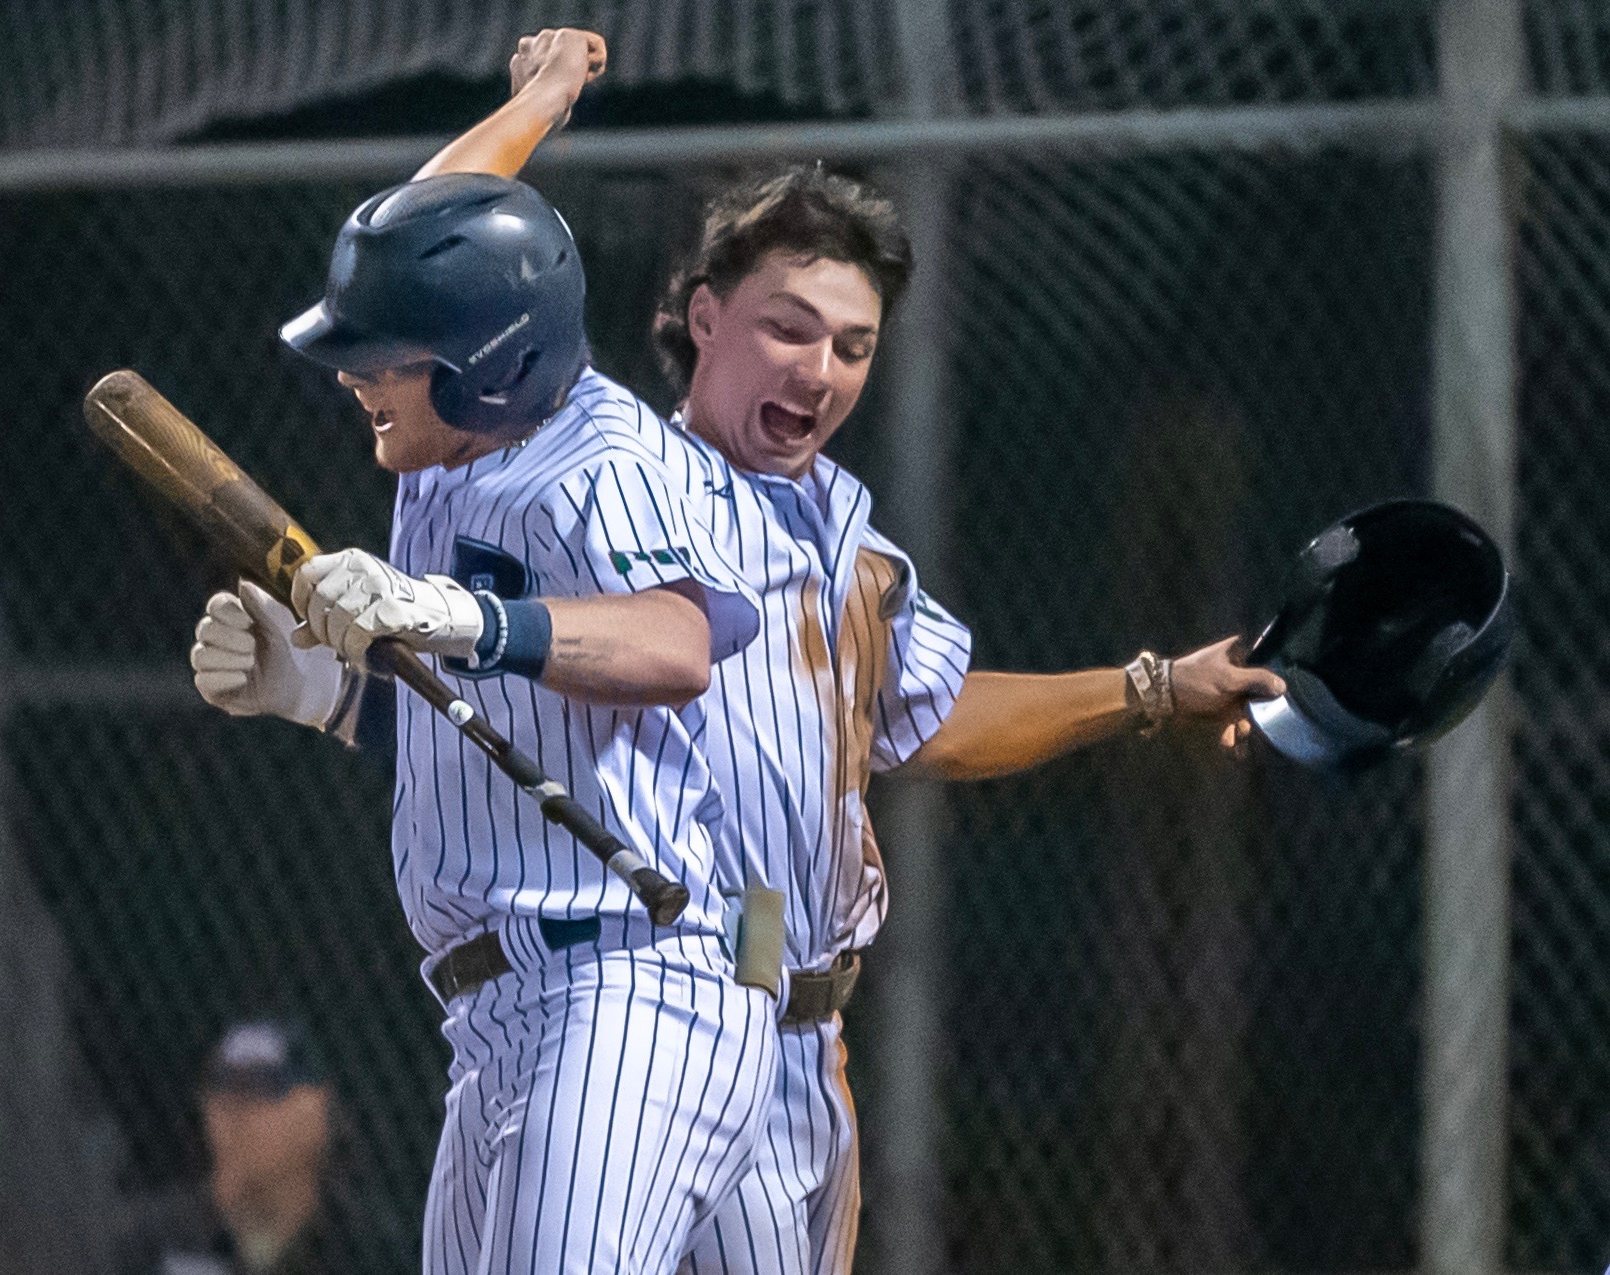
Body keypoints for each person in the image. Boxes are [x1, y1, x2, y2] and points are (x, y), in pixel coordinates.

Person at [412, 29, 1289, 1275]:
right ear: (700, 317)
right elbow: (427, 259)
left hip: (789, 1033)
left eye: (851, 345)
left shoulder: (844, 537)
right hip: (639, 1002)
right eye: (786, 328)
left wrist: (1150, 689)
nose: (818, 370)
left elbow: (925, 715)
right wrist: (537, 109)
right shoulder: (613, 468)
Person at [187, 167, 784, 1273]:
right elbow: (483, 727)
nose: (356, 377)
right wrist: (314, 689)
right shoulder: (445, 457)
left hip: (625, 988)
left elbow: (674, 645)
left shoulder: (597, 463)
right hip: (506, 1018)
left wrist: (454, 612)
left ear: (490, 365)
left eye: (387, 358)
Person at [113, 1020, 407, 1275]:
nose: (234, 1108)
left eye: (261, 1086)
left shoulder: (365, 1245)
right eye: (223, 1083)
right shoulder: (160, 1236)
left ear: (314, 1113)